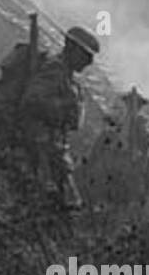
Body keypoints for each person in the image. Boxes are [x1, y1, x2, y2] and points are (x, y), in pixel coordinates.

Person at [15, 26, 100, 211]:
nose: (89, 62)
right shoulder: (55, 70)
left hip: (54, 148)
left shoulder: (67, 76)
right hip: (42, 147)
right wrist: (63, 110)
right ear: (72, 49)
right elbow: (32, 100)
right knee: (48, 200)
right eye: (86, 55)